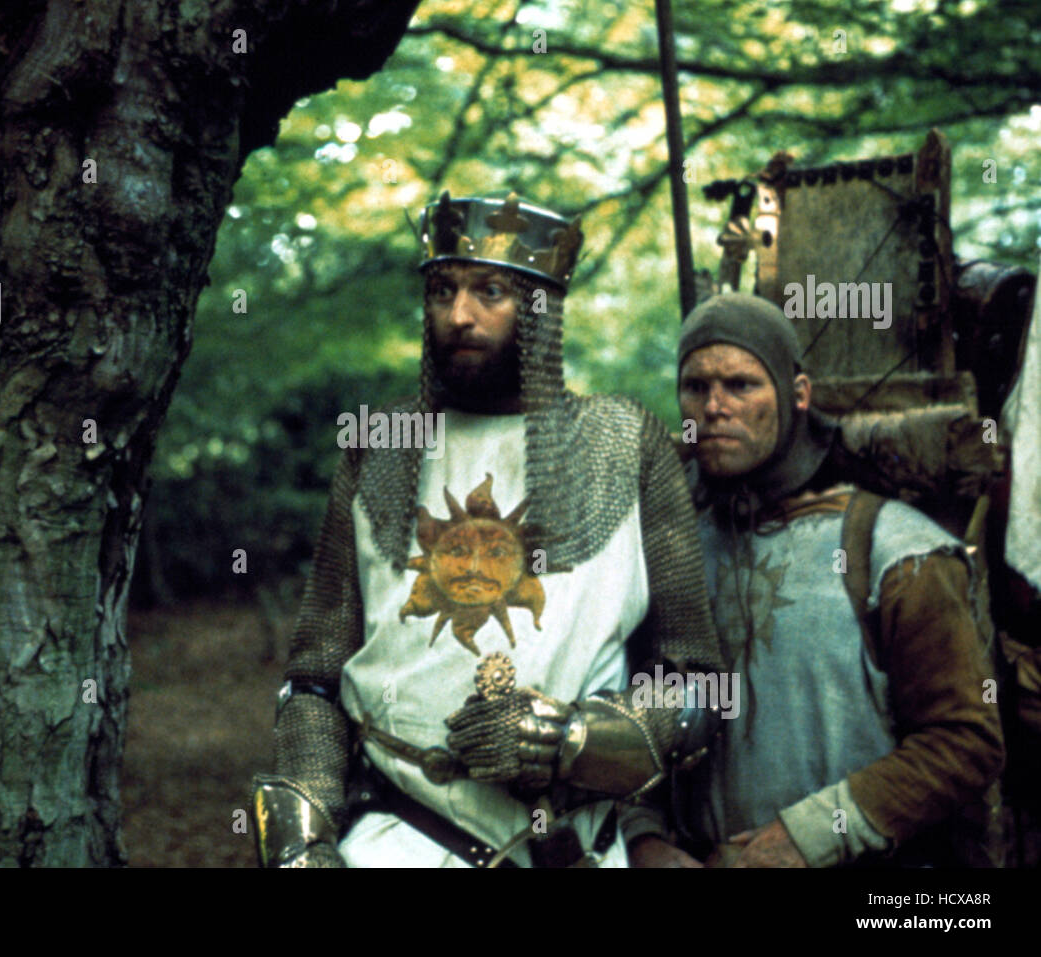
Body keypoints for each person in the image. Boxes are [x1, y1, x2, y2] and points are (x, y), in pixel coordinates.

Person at [250, 192, 728, 867]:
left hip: (569, 846)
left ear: (537, 308)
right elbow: (314, 681)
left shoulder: (625, 445)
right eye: (441, 290)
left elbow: (696, 686)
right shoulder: (383, 445)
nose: (459, 314)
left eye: (491, 290)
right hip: (394, 841)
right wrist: (302, 844)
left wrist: (570, 739)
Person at [624, 292, 1005, 868]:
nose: (714, 407)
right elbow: (634, 713)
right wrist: (644, 837)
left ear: (797, 394)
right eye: (696, 387)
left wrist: (807, 835)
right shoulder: (665, 548)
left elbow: (966, 741)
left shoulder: (896, 550)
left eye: (741, 385)